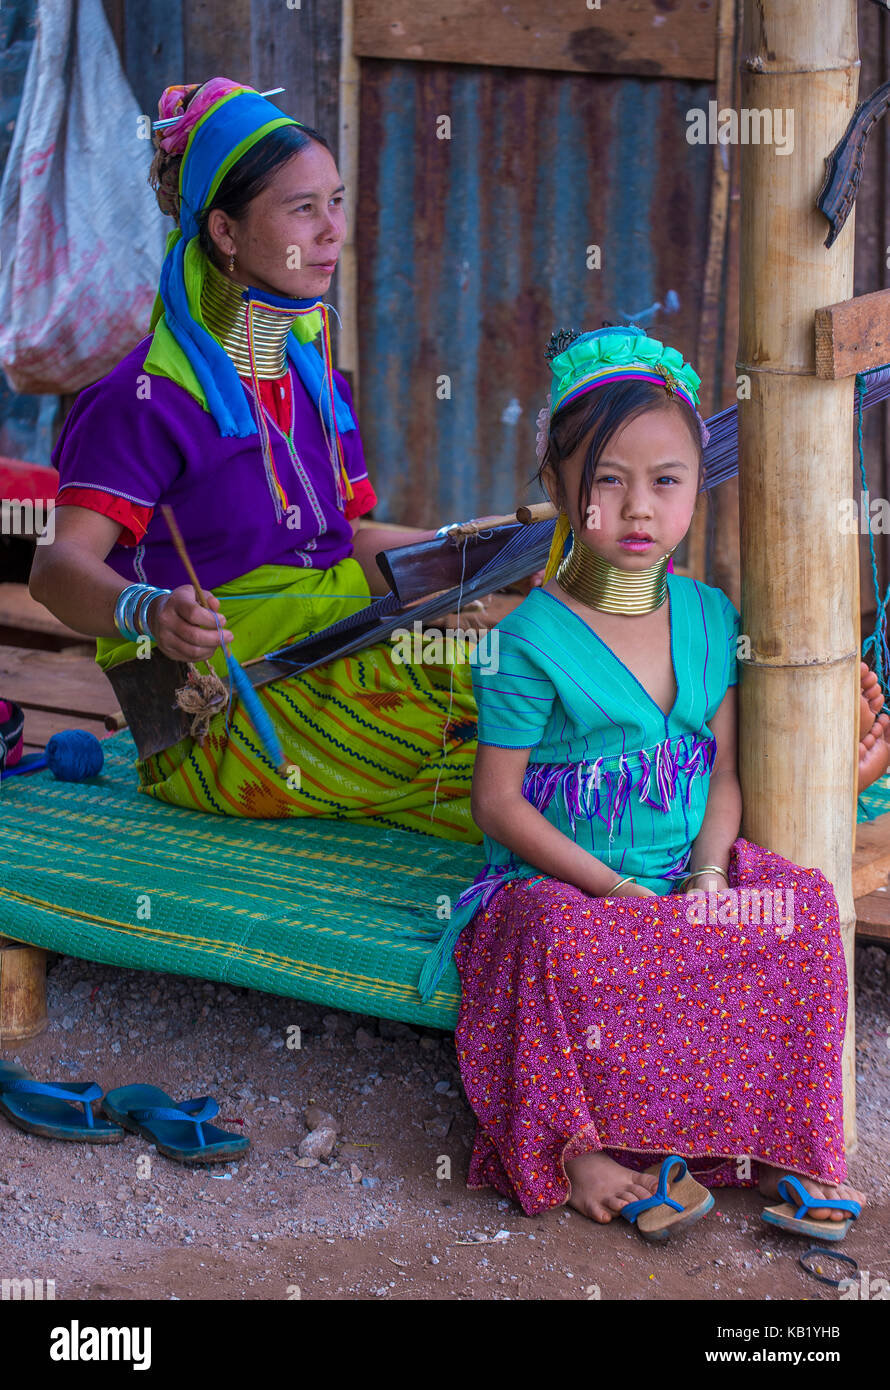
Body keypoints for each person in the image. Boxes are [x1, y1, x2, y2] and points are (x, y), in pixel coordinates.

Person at [425, 325, 866, 1232]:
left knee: (804, 911)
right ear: (557, 490)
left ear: (695, 491)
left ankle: (779, 1145)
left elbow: (727, 771)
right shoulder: (527, 642)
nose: (637, 509)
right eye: (606, 481)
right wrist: (616, 888)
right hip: (561, 886)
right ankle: (579, 1149)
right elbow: (497, 804)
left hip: (680, 878)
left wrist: (707, 878)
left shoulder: (711, 617)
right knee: (549, 936)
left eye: (665, 481)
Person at [29, 78, 486, 840]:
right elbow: (54, 572)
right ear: (227, 232)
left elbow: (344, 548)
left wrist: (471, 553)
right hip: (210, 723)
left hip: (332, 663)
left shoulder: (316, 381)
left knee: (534, 687)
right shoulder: (143, 401)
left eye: (336, 201)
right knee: (507, 740)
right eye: (303, 208)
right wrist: (148, 612)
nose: (333, 230)